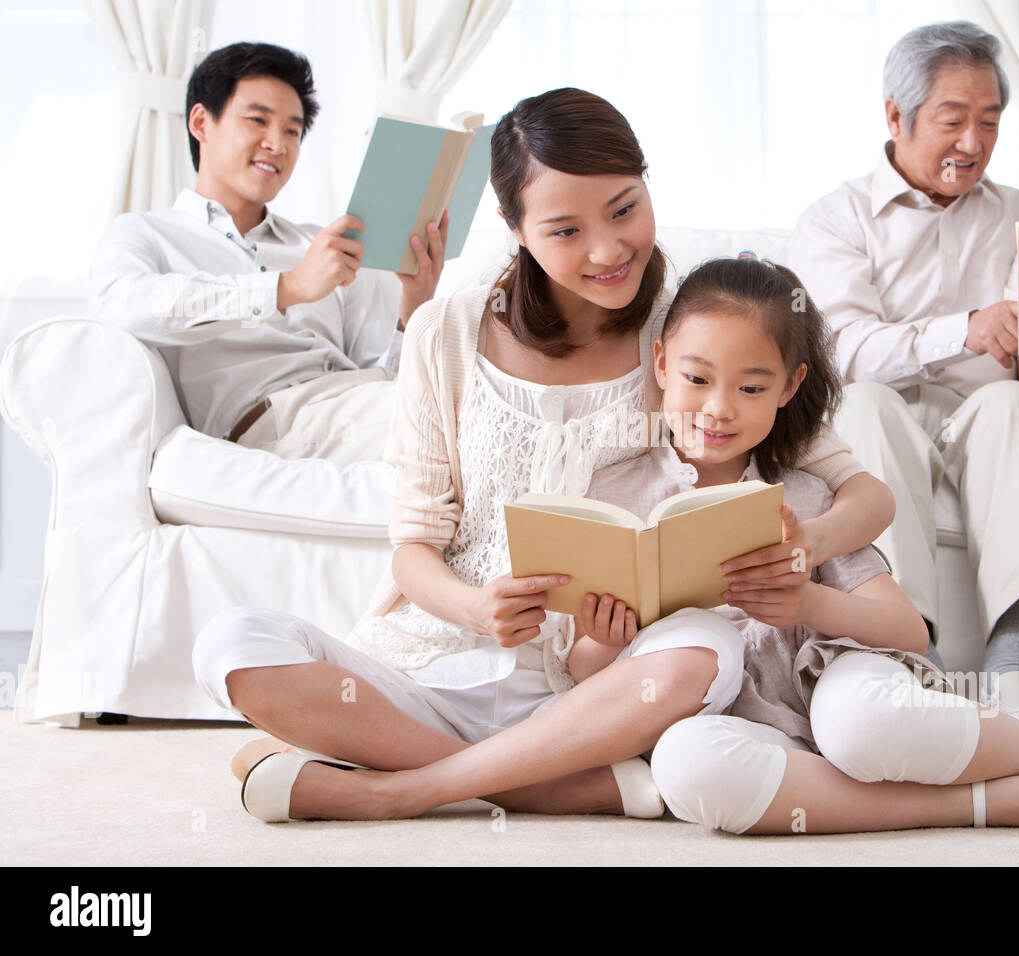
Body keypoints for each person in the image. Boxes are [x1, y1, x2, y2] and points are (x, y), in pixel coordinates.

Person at [192, 88, 891, 822]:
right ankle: (563, 787)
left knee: (706, 649)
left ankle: (400, 787)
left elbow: (863, 493)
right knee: (231, 644)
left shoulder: (693, 334)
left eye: (624, 209)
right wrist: (475, 606)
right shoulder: (447, 330)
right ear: (514, 228)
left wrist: (805, 548)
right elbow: (413, 548)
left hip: (605, 688)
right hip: (438, 671)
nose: (608, 249)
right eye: (565, 230)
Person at [583, 255, 1019, 833]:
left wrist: (806, 602)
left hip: (834, 684)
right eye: (697, 379)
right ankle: (997, 802)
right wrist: (603, 638)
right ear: (663, 364)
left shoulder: (802, 493)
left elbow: (907, 630)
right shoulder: (618, 492)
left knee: (856, 723)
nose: (718, 409)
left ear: (788, 387)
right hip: (731, 725)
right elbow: (587, 676)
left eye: (751, 388)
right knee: (682, 767)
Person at [788, 21, 1019, 738]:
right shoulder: (834, 219)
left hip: (982, 415)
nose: (972, 144)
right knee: (869, 401)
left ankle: (1014, 658)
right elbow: (843, 351)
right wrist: (966, 327)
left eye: (990, 123)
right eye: (953, 121)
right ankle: (918, 654)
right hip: (881, 415)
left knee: (1018, 400)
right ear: (895, 116)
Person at [89, 42, 446, 465]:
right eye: (258, 120)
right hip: (273, 424)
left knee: (498, 407)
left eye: (293, 131)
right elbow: (122, 307)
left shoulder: (325, 245)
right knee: (464, 419)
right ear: (201, 122)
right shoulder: (147, 233)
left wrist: (414, 306)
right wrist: (286, 287)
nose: (277, 143)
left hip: (362, 402)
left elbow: (388, 373)